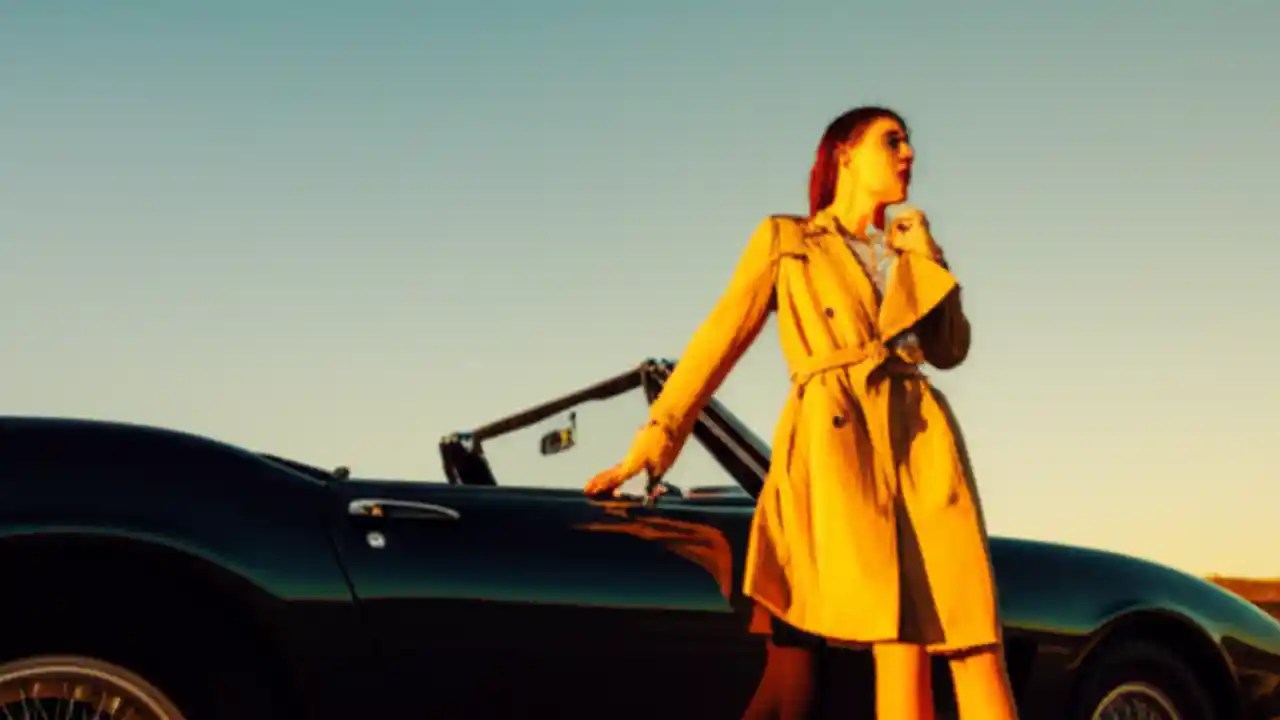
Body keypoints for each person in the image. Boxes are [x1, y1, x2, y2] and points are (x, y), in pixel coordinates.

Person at [584, 106, 1018, 719]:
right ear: (844, 154)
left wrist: (931, 258)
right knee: (899, 640)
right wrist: (656, 439)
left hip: (921, 443)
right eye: (893, 141)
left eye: (909, 144)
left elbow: (950, 351)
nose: (909, 154)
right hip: (838, 445)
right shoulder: (788, 240)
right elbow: (718, 339)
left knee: (976, 640)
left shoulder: (904, 250)